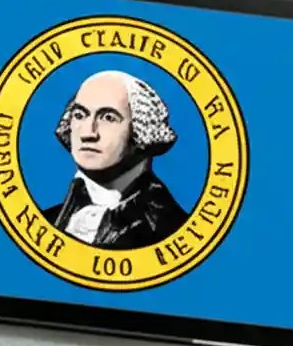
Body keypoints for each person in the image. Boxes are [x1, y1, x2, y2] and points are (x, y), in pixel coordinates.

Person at [43, 70, 187, 249]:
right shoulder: (45, 222)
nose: (88, 133)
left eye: (108, 118)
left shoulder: (172, 230)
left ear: (143, 130)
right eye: (79, 115)